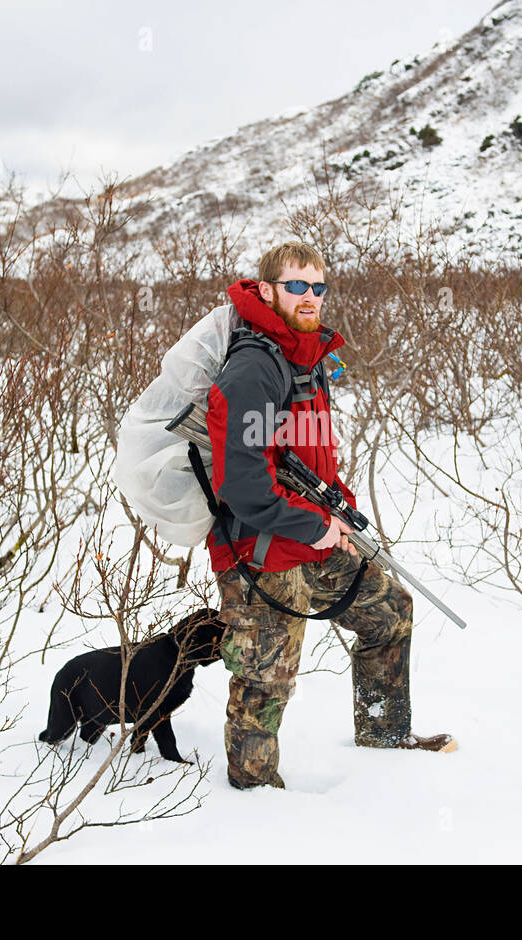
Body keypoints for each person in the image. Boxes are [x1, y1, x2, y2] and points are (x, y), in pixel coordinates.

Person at [206, 240, 453, 791]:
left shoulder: (304, 359)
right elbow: (243, 488)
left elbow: (308, 456)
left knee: (388, 610)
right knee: (268, 678)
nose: (311, 296)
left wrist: (340, 510)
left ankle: (384, 739)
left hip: (310, 534)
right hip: (259, 550)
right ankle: (252, 796)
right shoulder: (253, 369)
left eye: (318, 287)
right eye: (297, 286)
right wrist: (316, 525)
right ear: (268, 291)